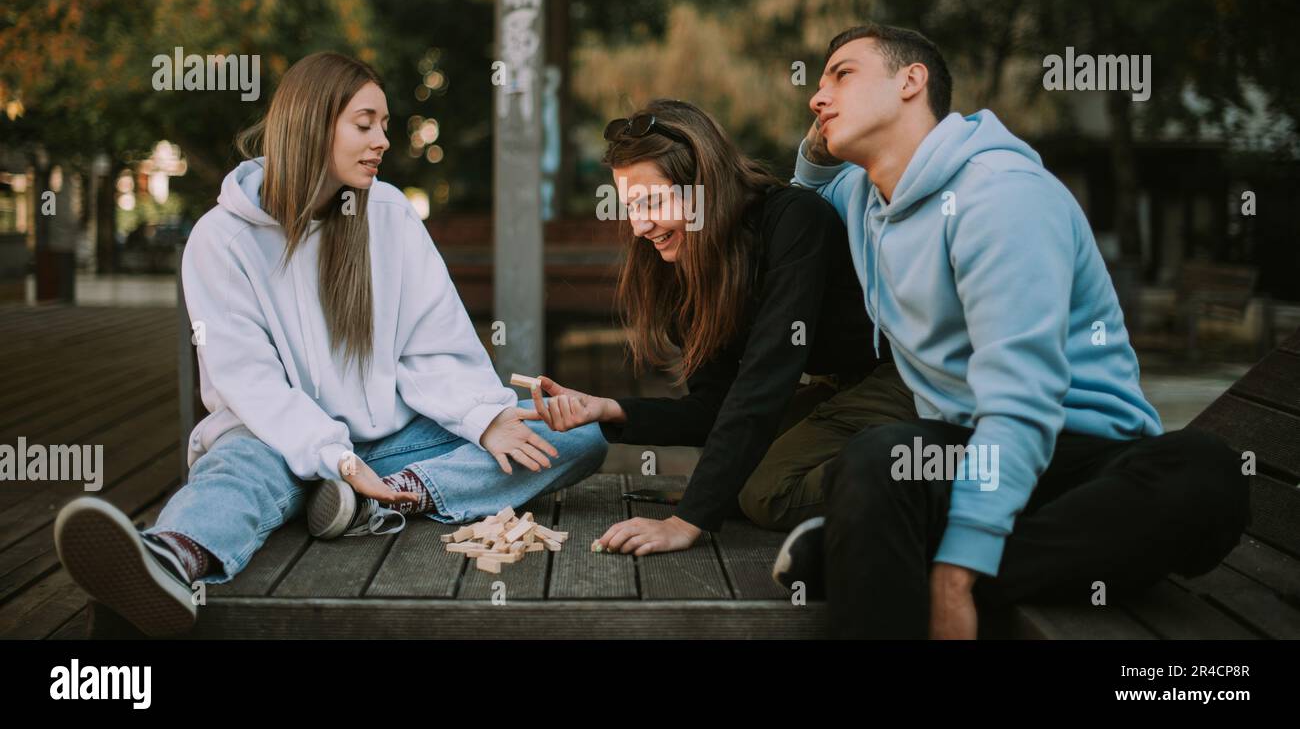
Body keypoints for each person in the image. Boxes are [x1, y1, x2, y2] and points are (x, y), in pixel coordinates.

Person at [54, 51, 607, 636]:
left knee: (576, 434)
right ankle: (170, 560)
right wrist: (334, 457)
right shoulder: (220, 239)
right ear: (312, 124)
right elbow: (251, 384)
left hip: (389, 449)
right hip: (275, 442)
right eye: (364, 124)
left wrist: (484, 415)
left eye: (385, 126)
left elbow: (434, 345)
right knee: (237, 468)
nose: (382, 141)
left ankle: (383, 500)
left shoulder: (388, 213)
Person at [773, 23, 1250, 638]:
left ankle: (901, 561)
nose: (818, 95)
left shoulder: (1000, 197)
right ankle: (906, 552)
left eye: (842, 74)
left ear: (911, 81)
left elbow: (1022, 400)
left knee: (1207, 474)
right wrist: (820, 142)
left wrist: (957, 573)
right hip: (966, 453)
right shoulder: (868, 197)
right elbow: (808, 191)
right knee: (873, 458)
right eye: (817, 84)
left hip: (1081, 463)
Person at [518, 99, 914, 556]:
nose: (640, 225)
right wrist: (608, 409)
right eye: (630, 206)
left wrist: (687, 521)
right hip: (841, 384)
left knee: (765, 492)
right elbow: (716, 408)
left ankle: (926, 485)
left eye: (653, 202)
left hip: (901, 376)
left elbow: (766, 379)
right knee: (736, 471)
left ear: (703, 187)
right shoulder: (687, 262)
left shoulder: (794, 220)